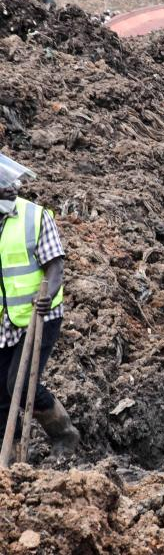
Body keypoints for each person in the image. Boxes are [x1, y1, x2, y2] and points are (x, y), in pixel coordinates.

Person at [0, 155, 79, 456]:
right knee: (0, 391)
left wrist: (47, 296)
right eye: (3, 187)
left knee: (15, 387)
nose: (11, 189)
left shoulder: (35, 217)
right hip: (6, 319)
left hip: (40, 315)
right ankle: (13, 451)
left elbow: (55, 267)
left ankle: (65, 434)